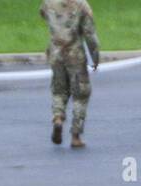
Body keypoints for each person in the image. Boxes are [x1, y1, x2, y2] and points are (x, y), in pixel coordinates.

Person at [40, 0, 101, 147]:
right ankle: (76, 136)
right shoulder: (81, 5)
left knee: (59, 90)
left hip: (55, 53)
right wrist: (95, 57)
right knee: (81, 94)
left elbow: (43, 14)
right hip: (75, 55)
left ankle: (58, 118)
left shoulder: (48, 3)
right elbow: (89, 34)